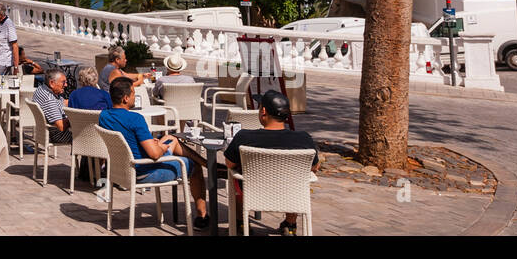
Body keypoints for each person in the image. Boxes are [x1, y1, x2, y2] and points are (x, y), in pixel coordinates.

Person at [99, 77, 209, 229]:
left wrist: (157, 143)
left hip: (119, 171)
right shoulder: (135, 118)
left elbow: (127, 140)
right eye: (132, 93)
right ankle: (202, 216)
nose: (134, 96)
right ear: (125, 98)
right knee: (194, 166)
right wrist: (161, 147)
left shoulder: (104, 116)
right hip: (144, 171)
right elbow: (155, 155)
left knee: (171, 138)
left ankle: (208, 164)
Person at [222, 90, 319, 235]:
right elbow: (315, 167)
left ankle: (241, 223)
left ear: (263, 112)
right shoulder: (304, 139)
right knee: (298, 178)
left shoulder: (244, 137)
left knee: (235, 176)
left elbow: (229, 164)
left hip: (253, 191)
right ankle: (290, 225)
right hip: (292, 193)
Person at [31, 70, 72, 144]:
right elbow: (61, 126)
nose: (66, 85)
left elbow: (63, 102)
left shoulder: (41, 89)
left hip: (49, 130)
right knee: (87, 135)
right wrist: (76, 118)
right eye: (63, 82)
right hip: (58, 134)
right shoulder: (49, 99)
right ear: (52, 83)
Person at [0, 3, 20, 78]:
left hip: (3, 61)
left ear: (0, 14)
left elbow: (15, 46)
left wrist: (16, 67)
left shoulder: (8, 24)